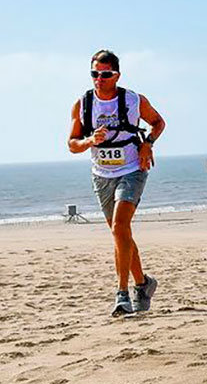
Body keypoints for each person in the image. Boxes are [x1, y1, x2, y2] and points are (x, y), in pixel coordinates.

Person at [68, 50, 165, 316]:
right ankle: (143, 284)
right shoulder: (83, 104)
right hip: (101, 174)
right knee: (119, 233)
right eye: (94, 74)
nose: (99, 79)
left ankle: (122, 294)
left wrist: (147, 144)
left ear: (117, 75)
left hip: (132, 169)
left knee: (120, 226)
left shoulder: (134, 100)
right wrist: (90, 141)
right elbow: (72, 144)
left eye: (105, 74)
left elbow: (158, 122)